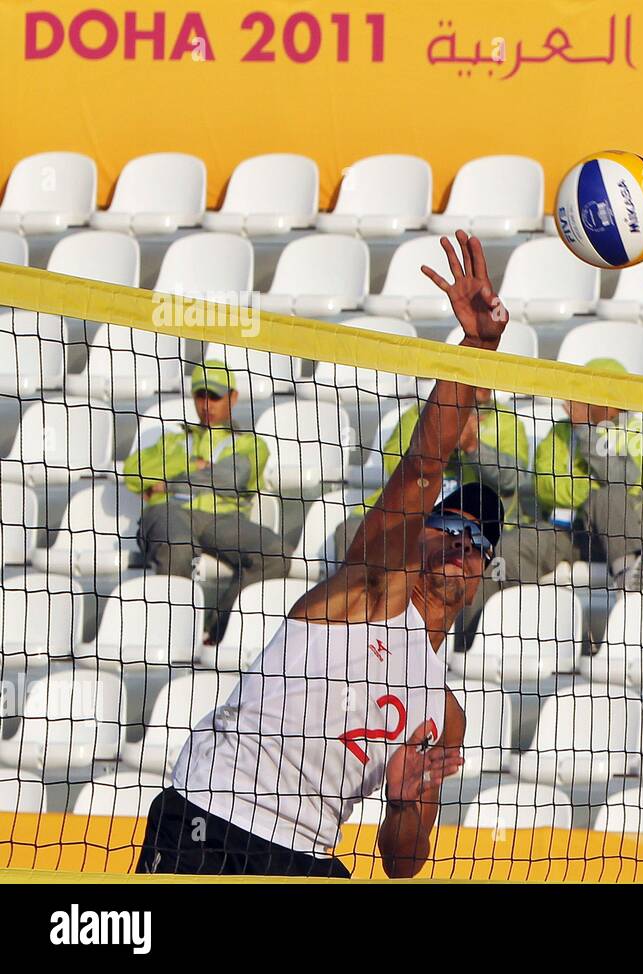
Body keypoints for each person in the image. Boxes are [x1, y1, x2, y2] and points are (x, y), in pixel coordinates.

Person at [135, 232, 507, 878]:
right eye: (449, 523)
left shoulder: (444, 715)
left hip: (306, 854)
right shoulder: (372, 589)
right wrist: (476, 351)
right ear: (420, 529)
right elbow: (424, 464)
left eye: (478, 541)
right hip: (217, 810)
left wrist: (400, 803)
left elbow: (404, 860)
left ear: (483, 575)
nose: (460, 543)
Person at [464, 357, 643, 634]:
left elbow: (622, 480)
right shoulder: (558, 433)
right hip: (566, 533)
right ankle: (485, 637)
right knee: (504, 548)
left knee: (607, 498)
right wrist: (589, 484)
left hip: (616, 535)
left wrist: (585, 431)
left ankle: (632, 591)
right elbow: (547, 487)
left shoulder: (639, 433)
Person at [122, 361, 287, 644]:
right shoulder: (173, 440)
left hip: (223, 520)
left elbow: (231, 477)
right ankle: (172, 636)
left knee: (276, 554)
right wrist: (192, 464)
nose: (207, 404)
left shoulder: (251, 444)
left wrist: (169, 481)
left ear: (232, 398)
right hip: (170, 512)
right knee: (179, 547)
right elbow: (132, 473)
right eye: (201, 395)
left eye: (215, 396)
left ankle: (217, 630)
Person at [335, 384, 532, 559]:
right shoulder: (419, 414)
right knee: (351, 531)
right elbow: (394, 466)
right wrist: (437, 445)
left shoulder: (506, 420)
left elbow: (515, 478)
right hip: (413, 515)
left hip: (472, 523)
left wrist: (473, 447)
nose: (486, 383)